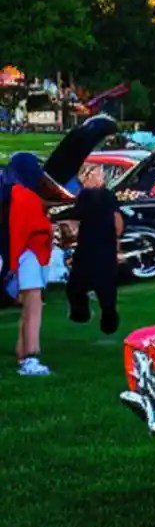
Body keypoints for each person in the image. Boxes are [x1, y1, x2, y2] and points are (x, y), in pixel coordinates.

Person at [5, 154, 53, 375]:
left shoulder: (8, 192)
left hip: (11, 255)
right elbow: (30, 232)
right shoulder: (27, 197)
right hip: (27, 254)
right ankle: (30, 356)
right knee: (33, 306)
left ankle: (23, 352)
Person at [66, 164, 123, 334]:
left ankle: (81, 313)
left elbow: (75, 220)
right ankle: (109, 316)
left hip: (88, 247)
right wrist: (116, 240)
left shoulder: (84, 196)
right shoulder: (108, 196)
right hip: (105, 247)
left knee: (76, 285)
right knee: (106, 286)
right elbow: (117, 219)